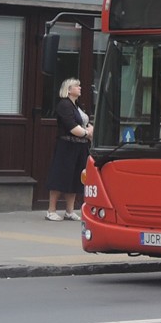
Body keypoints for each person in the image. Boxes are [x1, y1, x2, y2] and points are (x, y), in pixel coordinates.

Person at [46, 78, 93, 220]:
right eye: (77, 86)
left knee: (76, 178)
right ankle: (51, 210)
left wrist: (89, 130)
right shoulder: (64, 105)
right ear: (68, 89)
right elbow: (72, 126)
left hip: (80, 146)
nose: (80, 88)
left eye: (80, 85)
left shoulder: (77, 105)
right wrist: (87, 133)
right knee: (60, 176)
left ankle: (69, 211)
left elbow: (85, 122)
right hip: (67, 146)